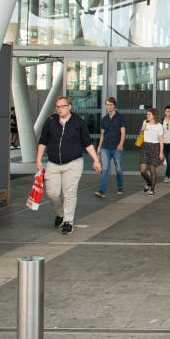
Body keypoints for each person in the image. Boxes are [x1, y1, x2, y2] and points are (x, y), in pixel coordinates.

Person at [36, 96, 102, 235]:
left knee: (69, 193)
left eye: (62, 106)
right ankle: (60, 214)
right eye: (57, 107)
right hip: (53, 163)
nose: (59, 109)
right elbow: (43, 141)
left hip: (73, 163)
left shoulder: (79, 122)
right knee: (52, 193)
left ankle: (68, 222)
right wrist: (38, 160)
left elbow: (87, 143)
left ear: (70, 106)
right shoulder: (50, 121)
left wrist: (96, 160)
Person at [95, 97, 126, 198]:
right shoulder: (104, 119)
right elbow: (102, 135)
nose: (108, 107)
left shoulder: (120, 117)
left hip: (117, 147)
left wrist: (121, 144)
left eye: (110, 105)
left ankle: (120, 186)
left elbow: (123, 133)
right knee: (105, 169)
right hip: (105, 148)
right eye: (107, 105)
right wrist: (99, 147)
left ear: (114, 105)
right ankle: (102, 191)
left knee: (119, 169)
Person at [139, 108, 164, 196]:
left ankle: (152, 189)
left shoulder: (159, 126)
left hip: (155, 147)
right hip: (145, 146)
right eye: (147, 114)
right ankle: (149, 182)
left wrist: (161, 152)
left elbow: (161, 140)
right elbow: (141, 134)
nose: (147, 116)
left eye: (149, 114)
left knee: (152, 170)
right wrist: (143, 128)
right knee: (142, 171)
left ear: (153, 115)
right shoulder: (145, 122)